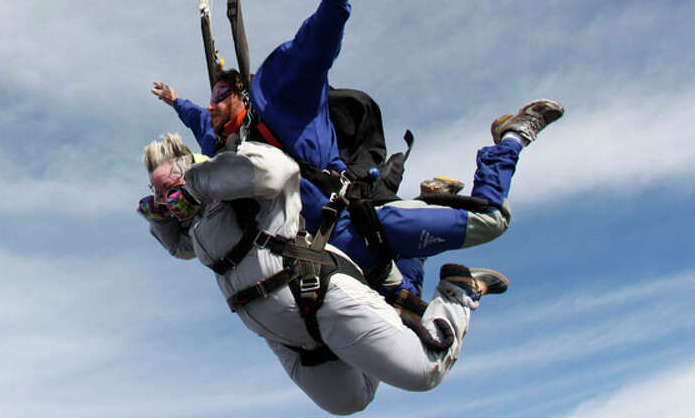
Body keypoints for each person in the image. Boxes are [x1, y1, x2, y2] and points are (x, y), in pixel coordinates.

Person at [151, 0, 564, 297]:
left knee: (490, 221)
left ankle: (510, 139)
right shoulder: (225, 146)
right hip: (326, 253)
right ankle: (428, 200)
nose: (212, 104)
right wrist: (175, 102)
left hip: (357, 219)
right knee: (406, 308)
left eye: (220, 93)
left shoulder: (279, 92)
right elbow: (198, 120)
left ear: (241, 90)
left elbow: (315, 46)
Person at [137, 133, 506, 415]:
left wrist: (197, 181)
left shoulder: (232, 189)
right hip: (289, 336)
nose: (170, 204)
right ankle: (384, 312)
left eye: (169, 191)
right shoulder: (199, 227)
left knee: (423, 371)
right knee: (349, 401)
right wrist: (156, 214)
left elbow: (278, 171)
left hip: (317, 293)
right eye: (159, 198)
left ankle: (459, 291)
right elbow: (179, 248)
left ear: (193, 171)